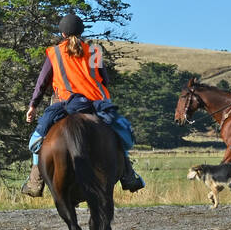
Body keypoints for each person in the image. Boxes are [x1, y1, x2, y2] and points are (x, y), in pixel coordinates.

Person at [21, 13, 143, 196]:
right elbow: (104, 80)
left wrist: (33, 105)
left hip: (64, 103)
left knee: (37, 141)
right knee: (119, 135)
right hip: (96, 103)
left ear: (62, 34)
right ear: (82, 32)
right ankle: (128, 175)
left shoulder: (54, 53)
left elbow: (42, 82)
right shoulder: (94, 51)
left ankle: (35, 183)